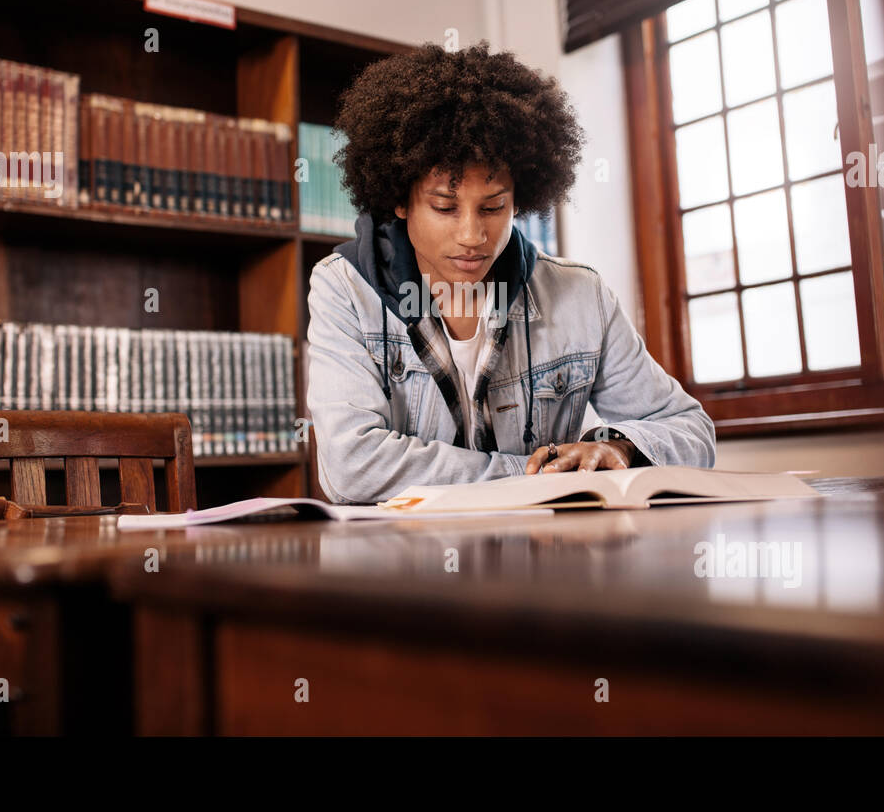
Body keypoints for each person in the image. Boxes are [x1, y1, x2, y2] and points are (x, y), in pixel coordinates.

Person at [306, 42, 714, 504]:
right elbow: (351, 467)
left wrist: (617, 449)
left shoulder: (581, 294)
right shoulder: (343, 288)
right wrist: (538, 475)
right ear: (399, 200)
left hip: (543, 564)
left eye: (494, 206)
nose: (472, 234)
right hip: (405, 566)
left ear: (520, 199)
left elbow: (691, 431)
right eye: (444, 206)